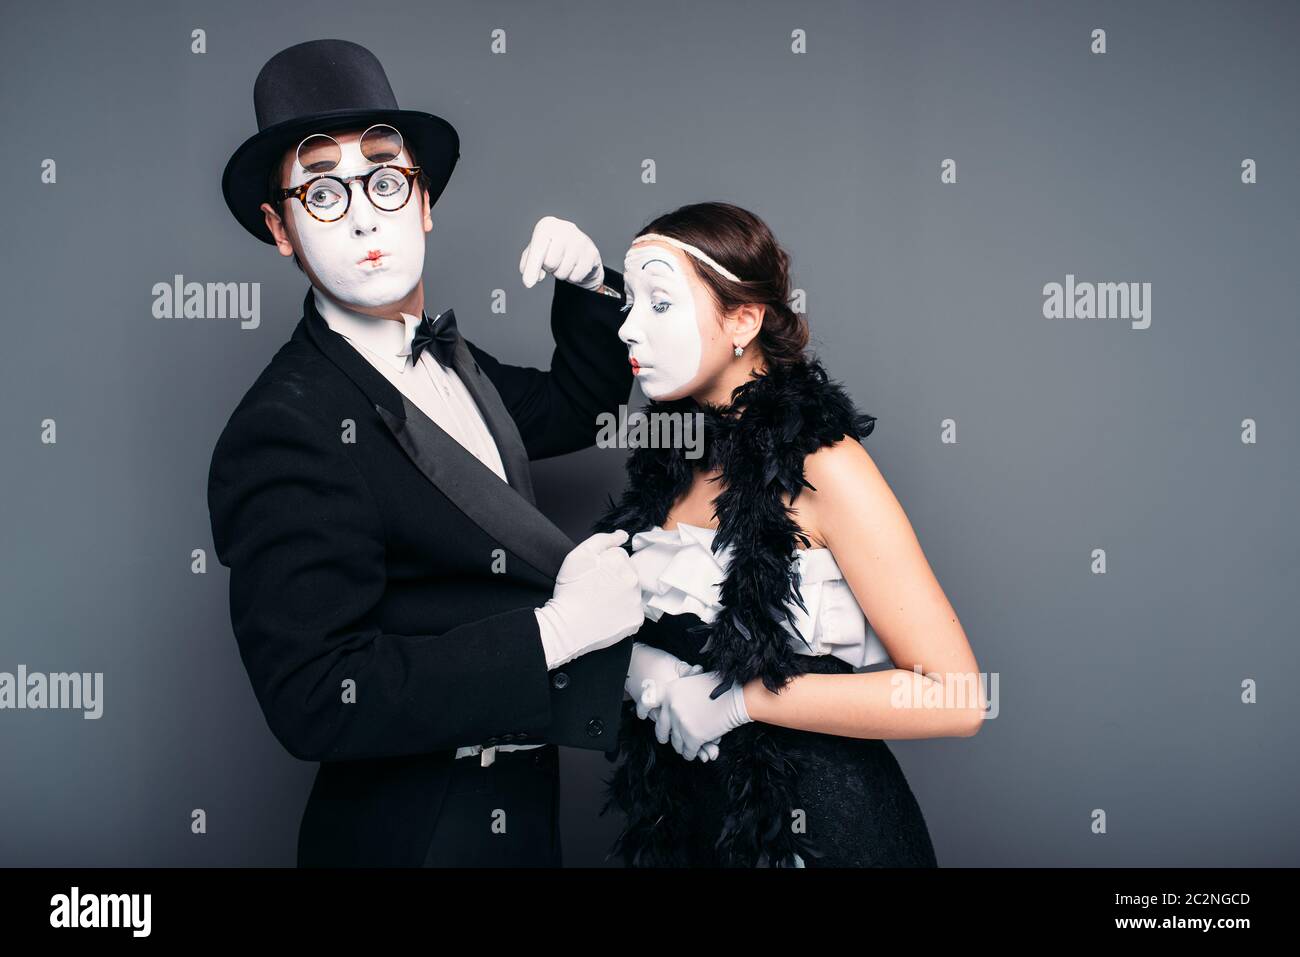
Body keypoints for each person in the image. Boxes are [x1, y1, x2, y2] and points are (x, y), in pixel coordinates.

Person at [209, 38, 642, 867]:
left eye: (382, 179)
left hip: (522, 821)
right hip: (407, 840)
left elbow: (579, 408)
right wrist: (554, 633)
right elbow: (312, 698)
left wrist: (590, 286)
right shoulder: (285, 424)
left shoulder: (451, 360)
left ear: (424, 201)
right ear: (280, 230)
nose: (365, 213)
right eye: (323, 191)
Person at [596, 202, 986, 867]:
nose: (628, 327)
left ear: (743, 320)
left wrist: (742, 700)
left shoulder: (823, 464)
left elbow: (956, 697)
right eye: (629, 302)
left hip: (824, 836)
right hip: (696, 834)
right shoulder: (669, 460)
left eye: (659, 303)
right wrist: (638, 670)